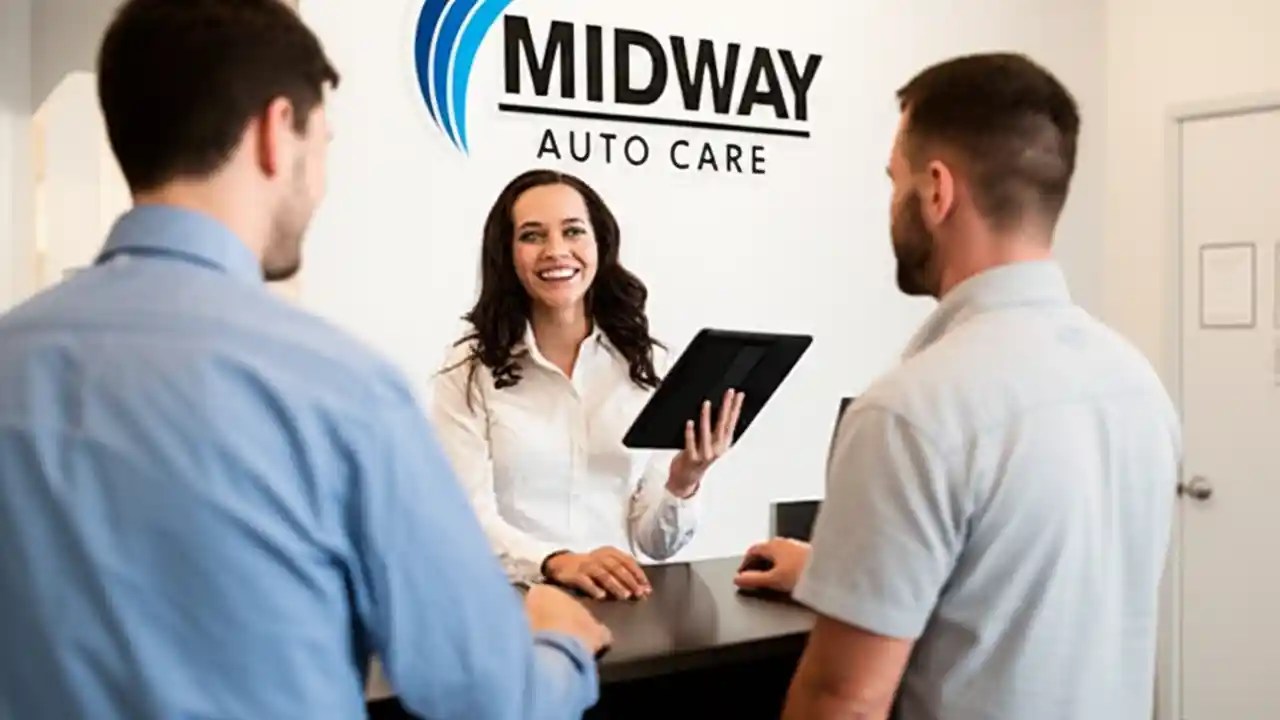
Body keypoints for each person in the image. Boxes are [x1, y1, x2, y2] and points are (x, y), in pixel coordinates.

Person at [0, 2, 609, 719]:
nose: (319, 183)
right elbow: (485, 697)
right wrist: (562, 644)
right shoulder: (339, 388)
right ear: (273, 133)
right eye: (323, 143)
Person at [734, 53, 1180, 720]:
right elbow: (1030, 592)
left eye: (895, 181)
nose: (891, 205)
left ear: (937, 191)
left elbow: (844, 702)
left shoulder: (911, 411)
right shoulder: (1135, 382)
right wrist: (835, 572)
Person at [432, 169, 744, 601]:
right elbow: (464, 516)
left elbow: (656, 543)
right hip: (510, 608)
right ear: (507, 254)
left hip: (619, 609)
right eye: (532, 236)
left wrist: (685, 479)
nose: (556, 251)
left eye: (573, 231)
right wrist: (557, 561)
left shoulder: (643, 363)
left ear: (599, 244)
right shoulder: (468, 369)